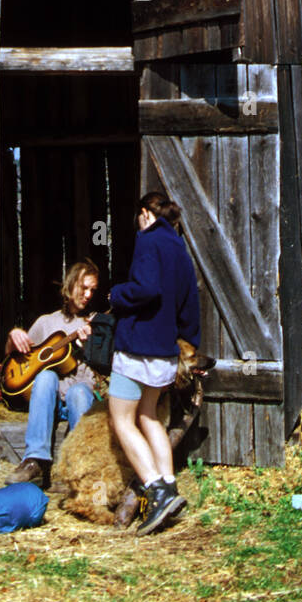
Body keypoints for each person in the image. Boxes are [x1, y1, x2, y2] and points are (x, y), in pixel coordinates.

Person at [108, 191, 200, 537]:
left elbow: (145, 289)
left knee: (122, 420)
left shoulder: (148, 240)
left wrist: (115, 295)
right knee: (149, 417)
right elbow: (190, 306)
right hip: (163, 353)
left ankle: (156, 490)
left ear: (145, 213)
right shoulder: (179, 247)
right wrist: (186, 342)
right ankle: (171, 487)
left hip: (136, 351)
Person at [5, 260, 100, 488]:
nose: (87, 295)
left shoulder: (95, 323)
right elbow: (17, 358)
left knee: (78, 391)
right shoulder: (46, 323)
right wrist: (13, 336)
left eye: (92, 290)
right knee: (46, 377)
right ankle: (35, 461)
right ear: (69, 285)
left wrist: (94, 344)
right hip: (50, 401)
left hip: (79, 400)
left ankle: (78, 469)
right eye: (83, 287)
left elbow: (105, 368)